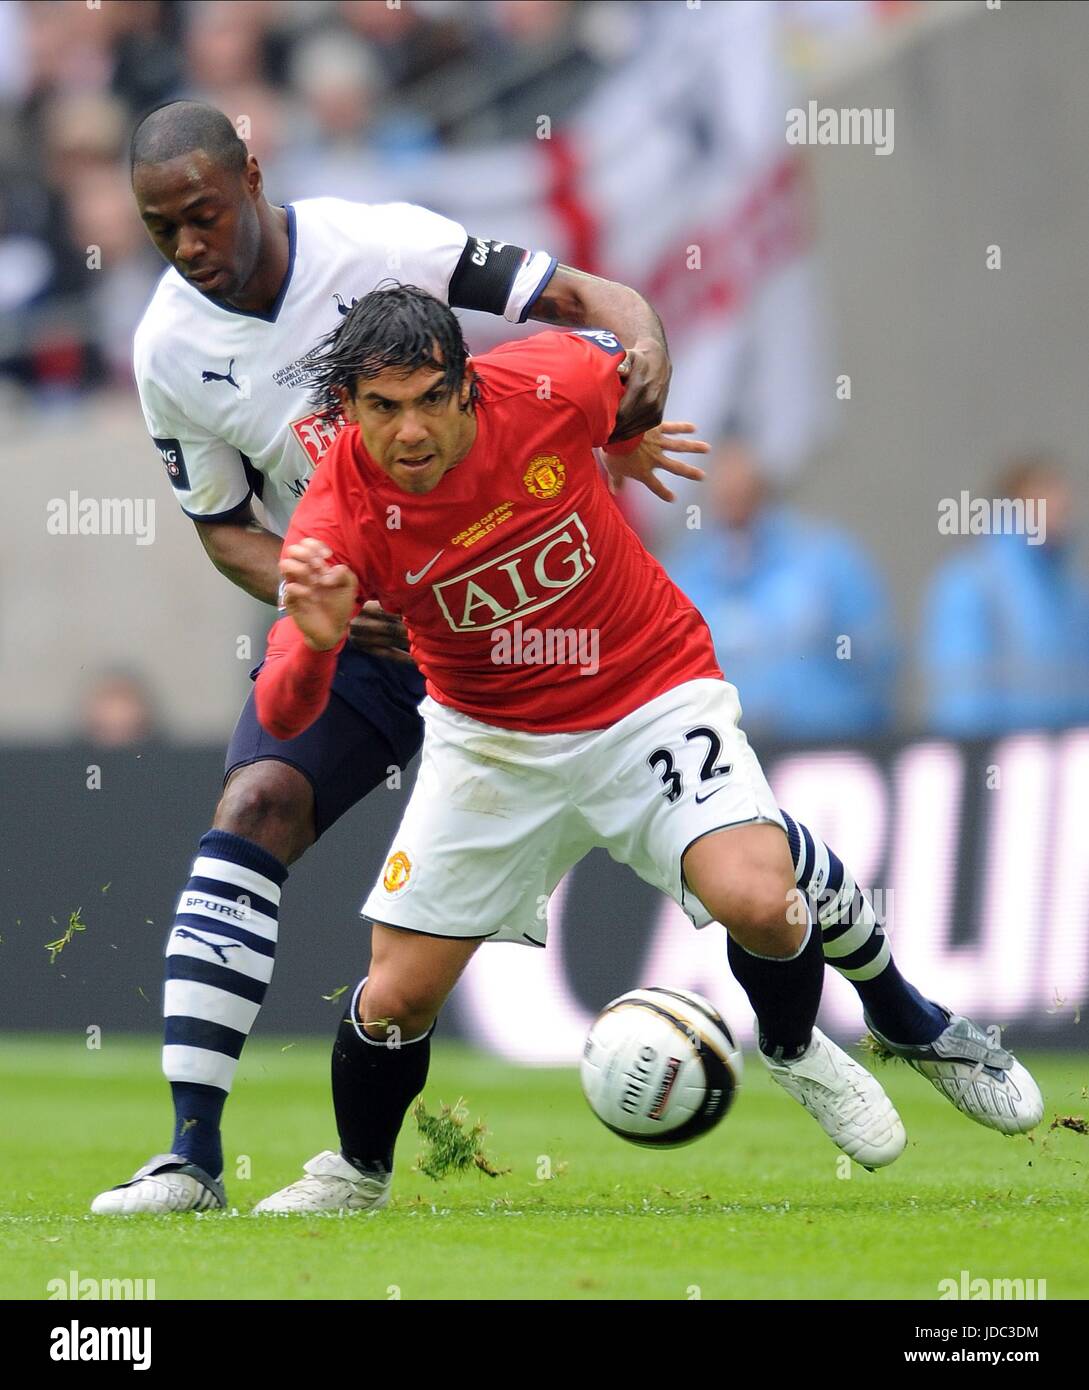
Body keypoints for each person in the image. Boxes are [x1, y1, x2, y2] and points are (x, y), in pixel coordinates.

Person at [243, 287, 1042, 1214]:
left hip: (648, 696)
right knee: (393, 1002)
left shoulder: (549, 383)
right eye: (383, 409)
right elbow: (287, 709)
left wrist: (624, 429)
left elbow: (630, 337)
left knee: (760, 901)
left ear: (470, 387)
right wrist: (316, 633)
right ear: (349, 412)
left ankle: (791, 1050)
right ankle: (357, 1172)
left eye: (430, 398)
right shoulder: (335, 517)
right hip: (491, 746)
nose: (410, 430)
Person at [89, 98, 696, 1216]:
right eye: (159, 226)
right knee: (255, 802)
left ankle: (857, 1027)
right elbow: (223, 529)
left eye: (205, 216)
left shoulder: (382, 246)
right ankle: (188, 1154)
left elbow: (579, 299)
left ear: (254, 178)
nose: (188, 248)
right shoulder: (168, 349)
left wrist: (646, 353)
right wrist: (312, 588)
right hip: (365, 633)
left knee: (705, 844)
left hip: (499, 609)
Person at [667, 438, 896, 741]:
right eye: (725, 496)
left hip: (827, 749)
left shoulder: (825, 560)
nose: (735, 502)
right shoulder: (686, 576)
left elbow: (879, 658)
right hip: (728, 760)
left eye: (745, 493)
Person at [922, 455, 1089, 736]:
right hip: (1000, 759)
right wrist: (973, 759)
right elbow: (961, 692)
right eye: (1046, 496)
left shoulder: (1072, 592)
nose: (1061, 507)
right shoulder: (973, 583)